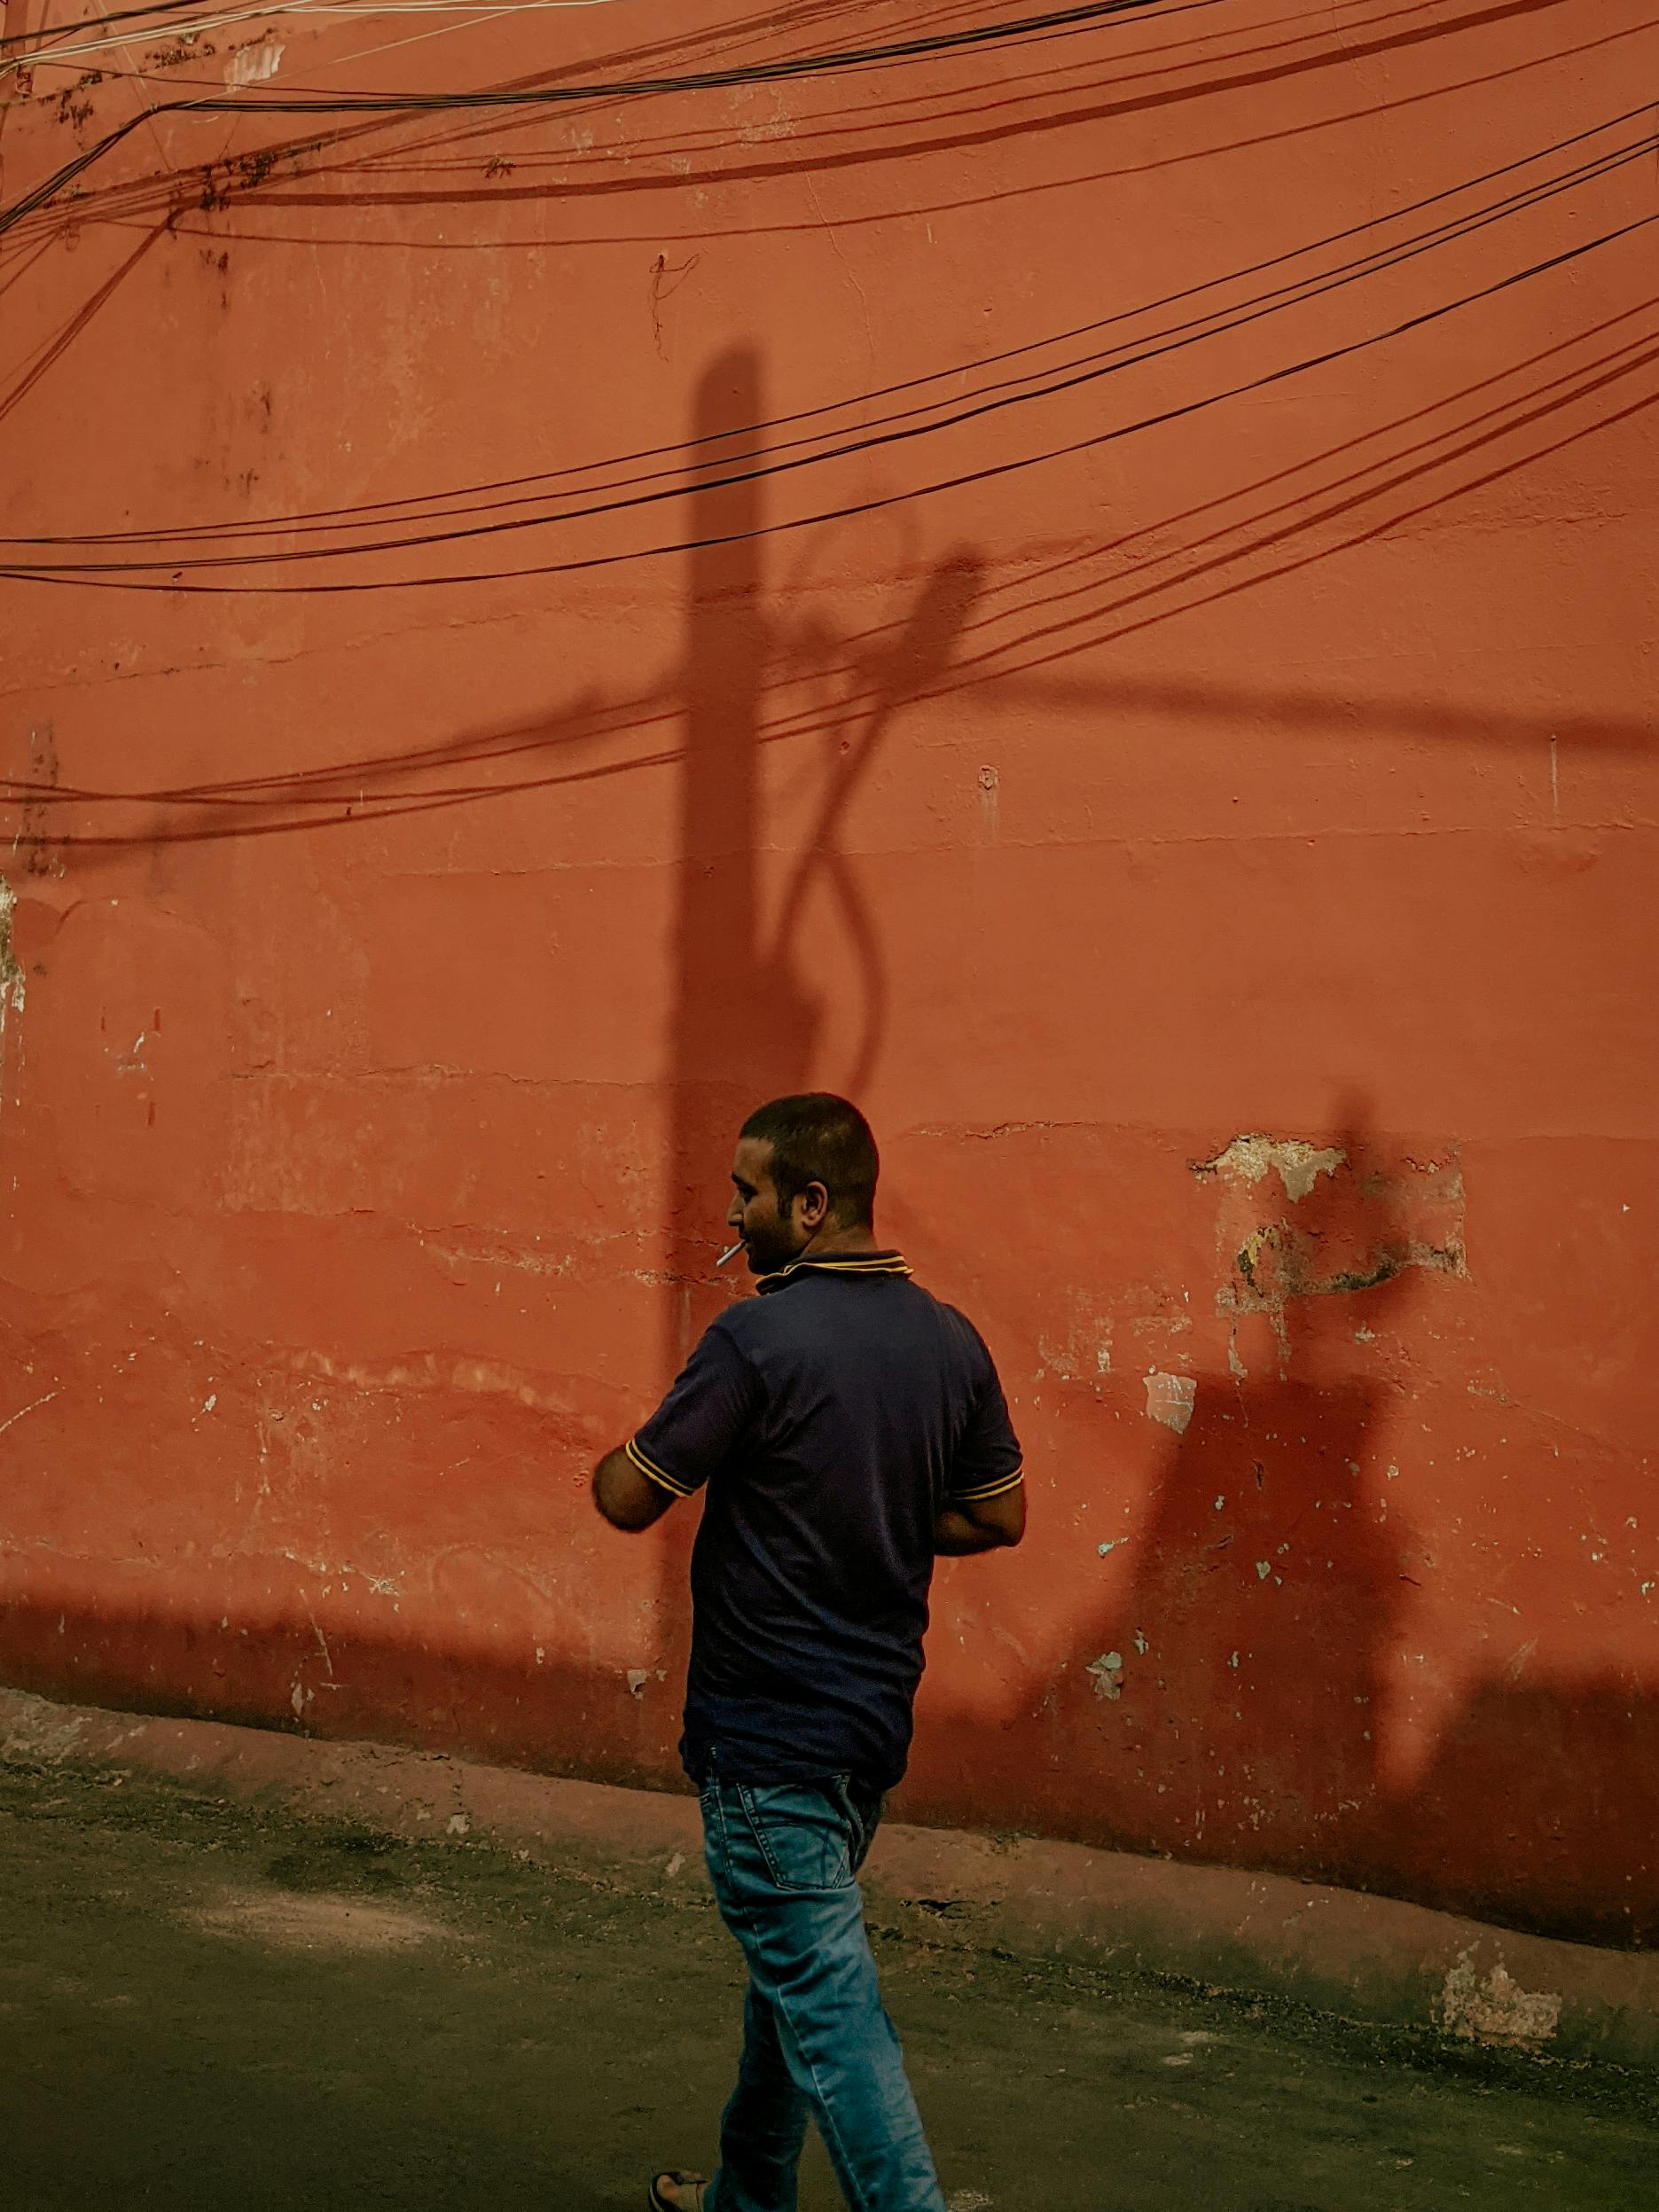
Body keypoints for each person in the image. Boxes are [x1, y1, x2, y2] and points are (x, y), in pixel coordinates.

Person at [592, 1092, 1026, 2212]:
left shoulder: (756, 1336)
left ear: (810, 1201)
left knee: (829, 2010)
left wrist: (649, 1455)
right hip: (865, 1738)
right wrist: (856, 1501)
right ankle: (748, 2192)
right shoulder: (948, 1337)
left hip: (764, 1740)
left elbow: (630, 1494)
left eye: (747, 1193)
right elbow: (996, 1513)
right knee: (789, 1983)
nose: (733, 1214)